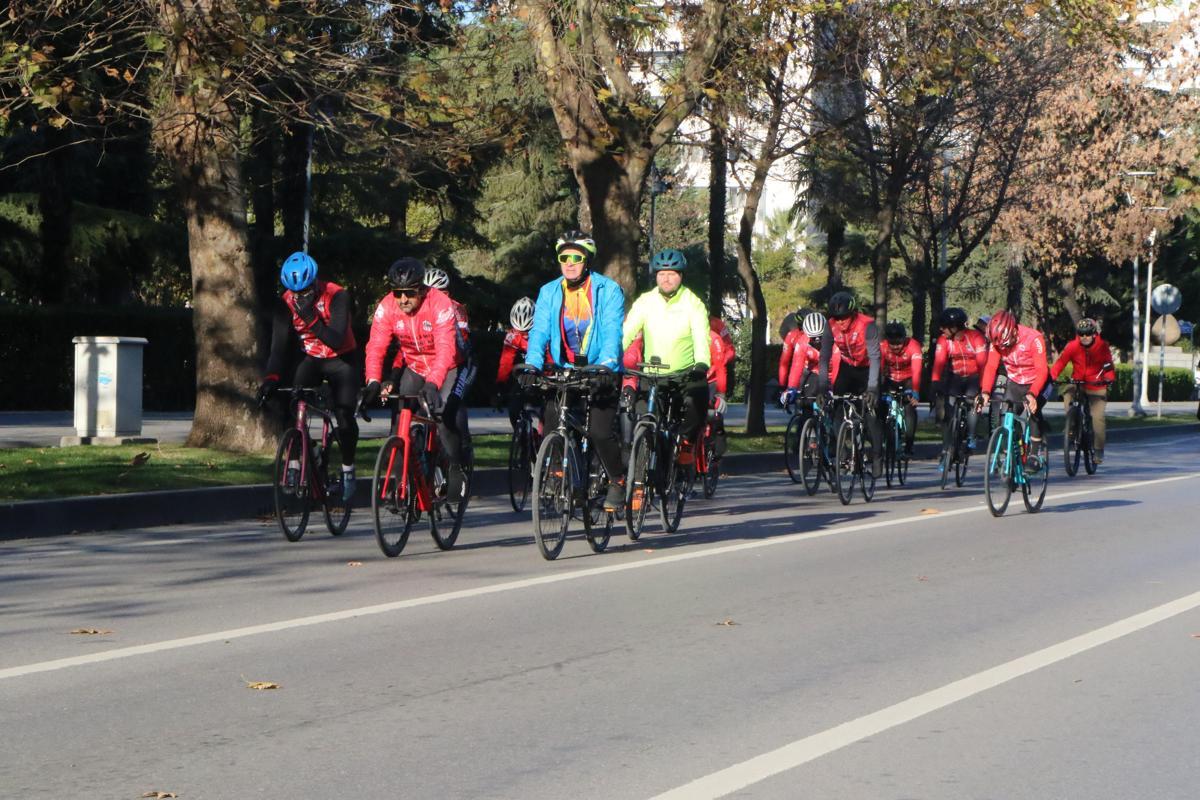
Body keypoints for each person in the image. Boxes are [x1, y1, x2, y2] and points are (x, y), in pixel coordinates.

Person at [521, 230, 626, 511]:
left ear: (587, 260)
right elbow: (539, 331)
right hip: (565, 369)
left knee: (600, 432)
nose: (569, 263)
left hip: (601, 369)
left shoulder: (608, 290)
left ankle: (617, 480)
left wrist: (605, 366)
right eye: (563, 257)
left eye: (576, 258)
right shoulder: (549, 291)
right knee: (554, 418)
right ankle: (562, 475)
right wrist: (532, 364)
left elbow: (612, 333)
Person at [362, 257, 469, 500]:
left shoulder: (439, 304)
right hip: (415, 366)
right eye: (397, 293)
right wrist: (373, 382)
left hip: (449, 365)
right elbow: (376, 346)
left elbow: (445, 350)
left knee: (442, 414)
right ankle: (401, 485)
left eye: (409, 293)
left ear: (421, 289)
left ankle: (454, 467)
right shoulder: (387, 306)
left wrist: (433, 384)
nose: (402, 300)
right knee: (399, 422)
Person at [257, 252, 362, 501]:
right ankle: (297, 460)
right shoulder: (285, 303)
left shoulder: (337, 295)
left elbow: (336, 338)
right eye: (295, 293)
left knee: (344, 416)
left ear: (315, 283)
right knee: (288, 401)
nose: (300, 297)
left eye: (305, 291)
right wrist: (270, 378)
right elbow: (278, 349)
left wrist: (310, 318)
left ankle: (348, 469)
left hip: (341, 358)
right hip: (312, 358)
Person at [623, 248, 711, 469]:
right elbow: (626, 333)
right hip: (652, 374)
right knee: (642, 420)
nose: (666, 278)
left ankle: (687, 444)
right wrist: (612, 356)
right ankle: (640, 484)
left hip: (684, 375)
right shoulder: (646, 301)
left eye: (672, 273)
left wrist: (701, 364)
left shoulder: (693, 304)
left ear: (681, 275)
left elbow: (701, 338)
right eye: (662, 274)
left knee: (696, 400)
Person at [818, 291, 883, 476]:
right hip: (848, 368)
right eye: (836, 318)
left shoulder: (867, 325)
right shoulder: (830, 326)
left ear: (853, 314)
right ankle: (844, 452)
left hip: (868, 368)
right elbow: (824, 357)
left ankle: (877, 455)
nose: (840, 322)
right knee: (836, 406)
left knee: (871, 414)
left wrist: (872, 388)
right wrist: (823, 387)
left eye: (844, 317)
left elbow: (875, 357)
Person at [978, 310, 1051, 472]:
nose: (1003, 348)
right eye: (1000, 346)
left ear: (1013, 330)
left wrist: (1032, 394)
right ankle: (1014, 450)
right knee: (1006, 417)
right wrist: (985, 392)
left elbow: (1042, 371)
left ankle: (1034, 453)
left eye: (1006, 344)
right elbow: (991, 367)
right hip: (1016, 382)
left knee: (1033, 410)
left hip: (1038, 382)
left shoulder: (1033, 338)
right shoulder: (997, 342)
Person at [1050, 317, 1116, 463]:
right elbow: (1061, 363)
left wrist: (1109, 377)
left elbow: (1108, 365)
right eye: (1081, 334)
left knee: (1097, 416)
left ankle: (1098, 450)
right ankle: (1071, 426)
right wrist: (1052, 376)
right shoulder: (1073, 346)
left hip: (1096, 385)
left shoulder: (1102, 346)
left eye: (1087, 334)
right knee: (1068, 394)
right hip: (1078, 383)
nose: (1084, 337)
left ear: (1093, 334)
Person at [930, 307, 988, 459]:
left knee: (971, 401)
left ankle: (971, 435)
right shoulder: (944, 340)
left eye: (944, 326)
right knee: (949, 410)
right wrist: (935, 382)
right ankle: (947, 447)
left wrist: (983, 389)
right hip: (955, 376)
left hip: (974, 377)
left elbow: (983, 365)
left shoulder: (976, 338)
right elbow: (939, 362)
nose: (941, 329)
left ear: (955, 327)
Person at [496, 297, 546, 430]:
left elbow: (552, 359)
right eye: (520, 331)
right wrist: (501, 384)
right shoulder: (513, 336)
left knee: (547, 414)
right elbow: (506, 362)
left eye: (527, 332)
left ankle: (544, 439)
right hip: (524, 376)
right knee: (514, 409)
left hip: (545, 374)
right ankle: (523, 441)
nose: (523, 335)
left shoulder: (546, 333)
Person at [780, 311, 838, 412]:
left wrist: (832, 388)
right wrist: (791, 388)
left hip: (834, 373)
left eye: (820, 337)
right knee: (806, 400)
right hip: (815, 373)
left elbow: (838, 365)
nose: (817, 341)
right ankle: (809, 422)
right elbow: (796, 366)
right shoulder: (802, 341)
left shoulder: (835, 341)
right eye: (812, 338)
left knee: (836, 403)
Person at [881, 321, 922, 456]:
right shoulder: (882, 347)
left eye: (899, 343)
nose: (896, 347)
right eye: (892, 343)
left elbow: (917, 370)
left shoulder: (913, 346)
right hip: (890, 378)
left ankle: (909, 444)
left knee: (909, 407)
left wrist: (915, 391)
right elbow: (879, 370)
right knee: (880, 405)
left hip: (908, 379)